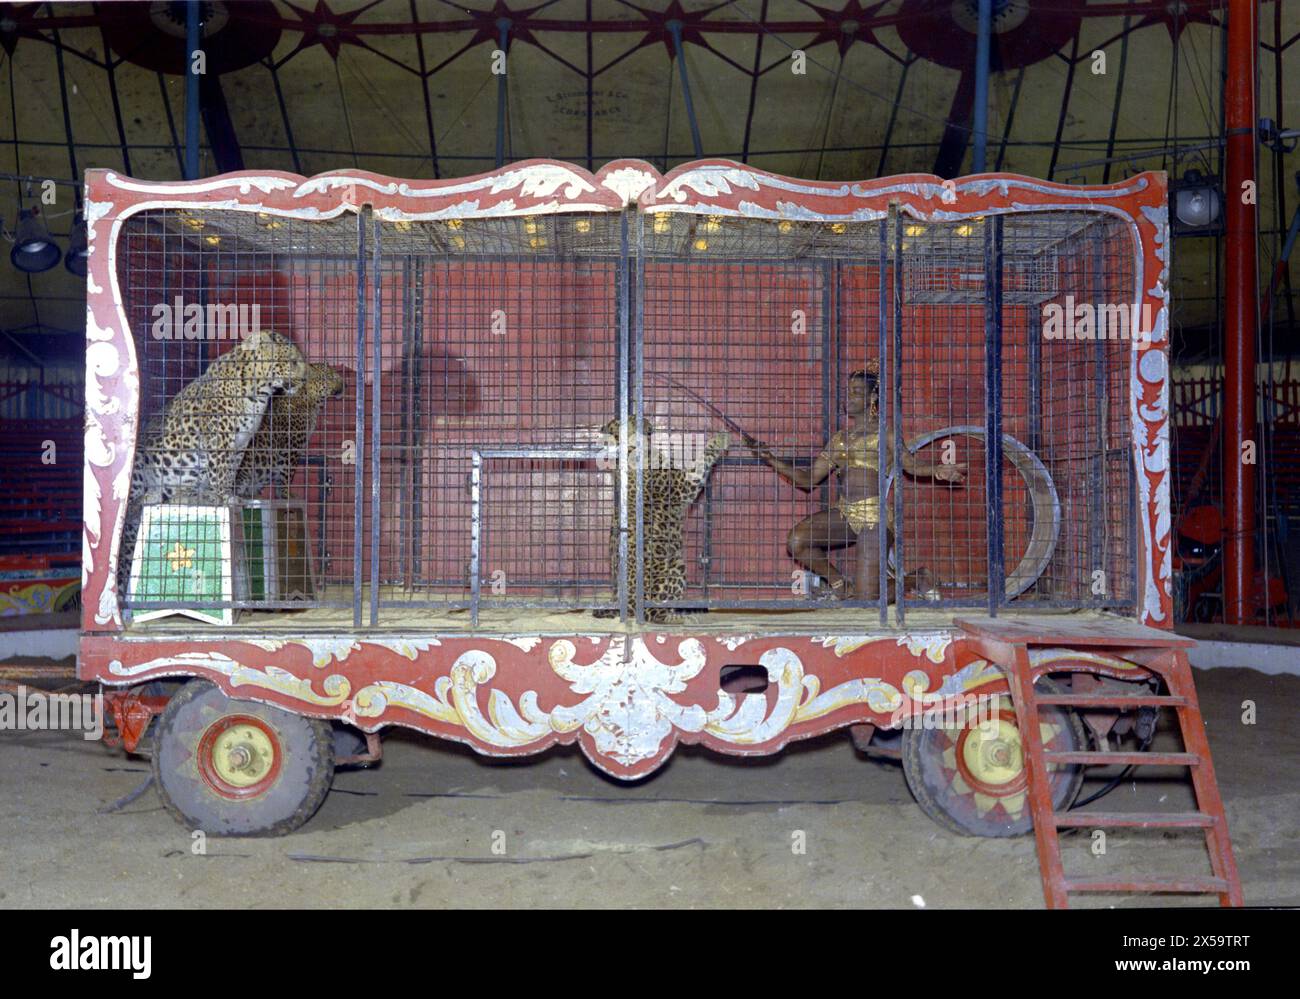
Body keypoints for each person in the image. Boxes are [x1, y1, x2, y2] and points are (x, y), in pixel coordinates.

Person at [745, 365, 964, 601]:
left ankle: (918, 578)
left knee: (867, 600)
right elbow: (808, 479)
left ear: (872, 398)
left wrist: (936, 470)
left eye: (857, 392)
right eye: (848, 391)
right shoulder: (840, 439)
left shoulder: (885, 433)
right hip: (845, 513)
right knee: (797, 540)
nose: (849, 397)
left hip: (874, 518)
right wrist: (770, 458)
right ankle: (840, 585)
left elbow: (910, 466)